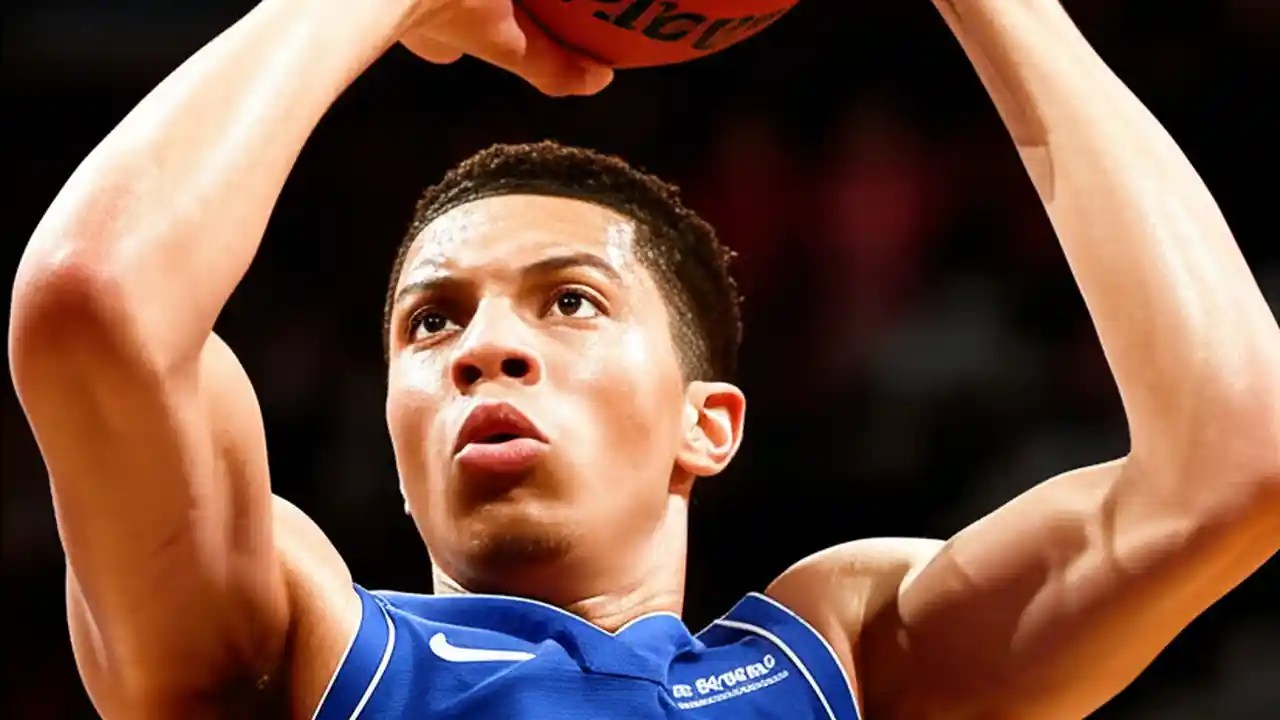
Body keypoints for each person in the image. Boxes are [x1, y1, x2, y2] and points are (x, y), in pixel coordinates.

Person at [9, 0, 1278, 718]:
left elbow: (1237, 463)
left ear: (707, 424)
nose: (483, 347)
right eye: (431, 323)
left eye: (566, 304)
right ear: (393, 447)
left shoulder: (837, 660)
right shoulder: (294, 640)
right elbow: (91, 308)